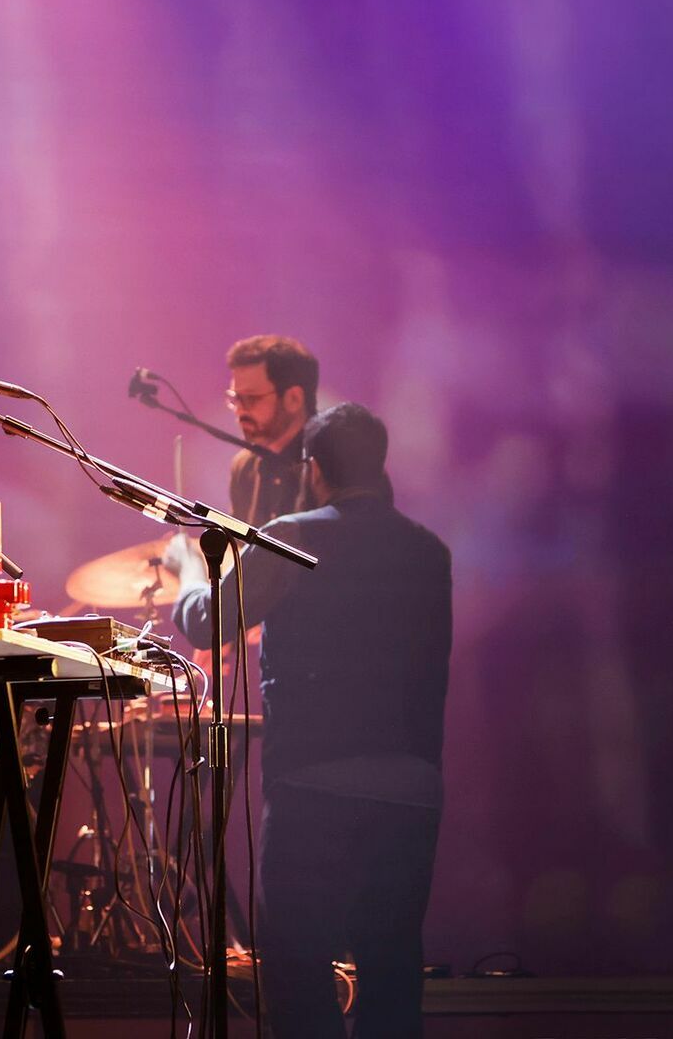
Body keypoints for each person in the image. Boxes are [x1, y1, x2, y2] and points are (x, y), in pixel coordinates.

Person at [164, 403, 452, 1039]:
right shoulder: (429, 551)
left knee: (298, 967)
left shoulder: (295, 535)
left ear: (314, 469)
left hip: (314, 786)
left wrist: (189, 573)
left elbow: (210, 620)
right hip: (412, 787)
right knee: (392, 965)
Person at [224, 334, 319, 526]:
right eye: (235, 398)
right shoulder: (244, 467)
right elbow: (240, 549)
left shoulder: (331, 464)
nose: (240, 410)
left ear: (294, 399)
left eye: (251, 398)